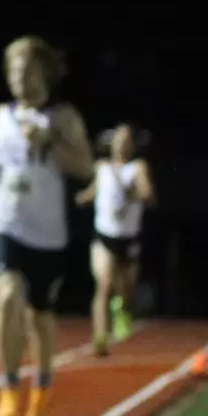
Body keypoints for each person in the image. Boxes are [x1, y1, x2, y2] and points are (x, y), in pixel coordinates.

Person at [0, 36, 94, 416]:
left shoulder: (63, 117)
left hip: (47, 231)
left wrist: (51, 143)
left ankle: (42, 384)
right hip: (4, 220)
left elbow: (85, 168)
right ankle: (8, 388)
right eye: (11, 71)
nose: (16, 78)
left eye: (24, 70)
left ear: (44, 73)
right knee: (7, 295)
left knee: (39, 315)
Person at [74, 123, 156, 356]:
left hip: (128, 238)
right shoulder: (102, 168)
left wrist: (134, 193)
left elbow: (148, 194)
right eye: (119, 140)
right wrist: (83, 198)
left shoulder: (137, 168)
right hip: (104, 235)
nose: (122, 145)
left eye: (127, 141)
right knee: (103, 285)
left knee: (126, 289)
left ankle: (121, 306)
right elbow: (93, 191)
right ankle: (100, 337)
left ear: (133, 145)